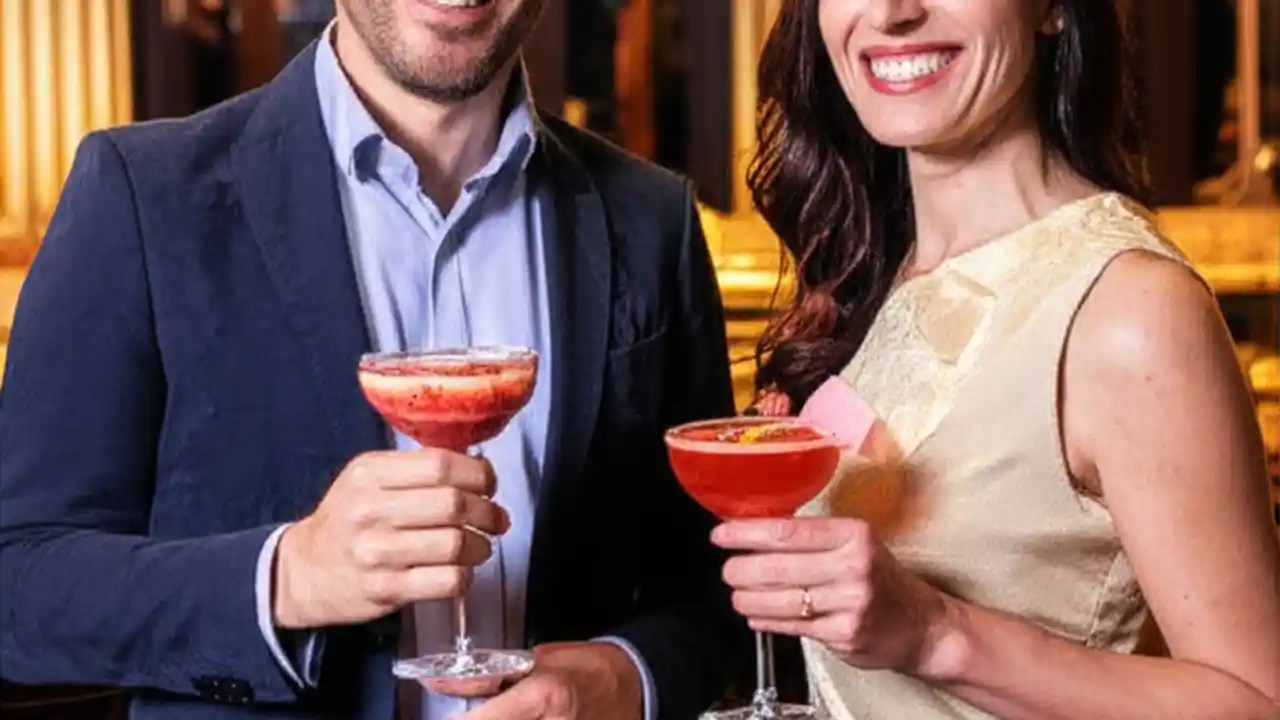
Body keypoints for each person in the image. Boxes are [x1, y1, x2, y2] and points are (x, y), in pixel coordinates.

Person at [0, 1, 747, 718]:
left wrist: (626, 677)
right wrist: (287, 577)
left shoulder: (654, 222)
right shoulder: (141, 193)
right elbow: (19, 587)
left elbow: (714, 587)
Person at [715, 1, 1280, 718]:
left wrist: (934, 634)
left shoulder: (1129, 312)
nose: (892, 13)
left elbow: (1260, 704)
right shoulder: (881, 274)